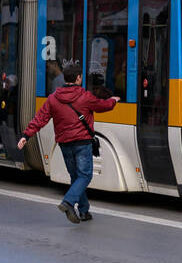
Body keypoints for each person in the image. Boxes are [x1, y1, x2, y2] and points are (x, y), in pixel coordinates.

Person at [16, 59, 120, 225]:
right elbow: (103, 105)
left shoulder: (53, 98)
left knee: (76, 177)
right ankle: (68, 202)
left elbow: (40, 118)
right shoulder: (85, 96)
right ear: (78, 78)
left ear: (65, 78)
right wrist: (113, 100)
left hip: (64, 144)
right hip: (82, 143)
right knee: (84, 176)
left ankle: (84, 210)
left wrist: (26, 135)